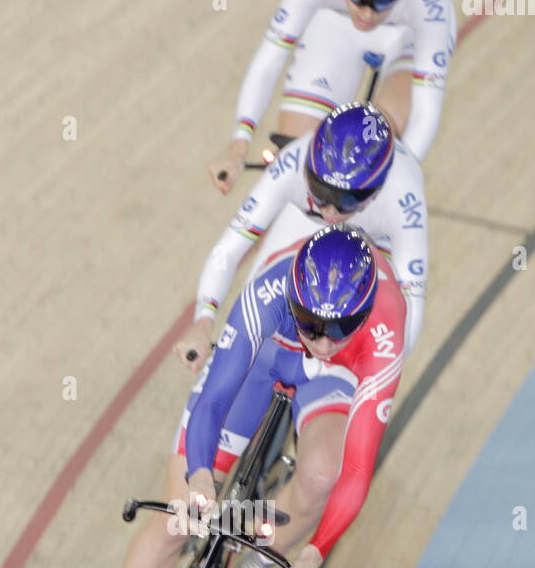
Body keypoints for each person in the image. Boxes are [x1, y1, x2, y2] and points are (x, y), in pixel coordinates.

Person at [47, 225, 407, 568]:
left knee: (322, 475)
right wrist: (198, 481)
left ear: (366, 312)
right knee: (175, 519)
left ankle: (256, 566)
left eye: (340, 328)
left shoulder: (384, 328)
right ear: (294, 299)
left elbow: (357, 470)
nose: (324, 341)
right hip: (265, 360)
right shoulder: (269, 291)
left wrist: (313, 555)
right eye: (311, 323)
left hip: (334, 381)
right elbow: (214, 400)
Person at [208, 0, 455, 194]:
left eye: (381, 0)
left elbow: (426, 111)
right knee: (296, 177)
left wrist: (391, 183)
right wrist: (239, 145)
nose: (366, 12)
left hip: (405, 37)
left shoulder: (430, 4)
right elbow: (269, 59)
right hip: (336, 25)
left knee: (376, 147)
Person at [176, 101, 427, 373]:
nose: (330, 211)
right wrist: (204, 321)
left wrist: (378, 374)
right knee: (250, 317)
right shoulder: (292, 163)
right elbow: (230, 248)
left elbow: (410, 301)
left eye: (347, 200)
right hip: (306, 222)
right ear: (309, 168)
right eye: (321, 191)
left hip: (375, 240)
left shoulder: (404, 201)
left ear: (376, 190)